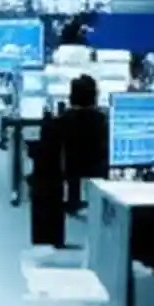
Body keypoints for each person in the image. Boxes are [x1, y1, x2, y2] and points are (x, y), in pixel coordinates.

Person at [59, 75, 108, 212]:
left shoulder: (64, 119)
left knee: (71, 159)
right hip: (98, 166)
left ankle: (72, 200)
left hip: (71, 167)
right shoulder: (102, 119)